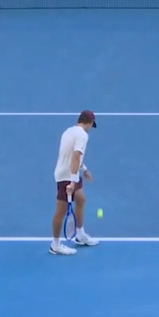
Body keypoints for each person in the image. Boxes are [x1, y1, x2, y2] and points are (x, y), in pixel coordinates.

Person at [50, 110, 100, 256]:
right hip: (67, 176)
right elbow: (75, 157)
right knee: (61, 212)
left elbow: (70, 155)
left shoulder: (68, 132)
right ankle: (55, 244)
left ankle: (80, 234)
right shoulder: (83, 135)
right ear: (90, 123)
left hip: (69, 173)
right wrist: (72, 181)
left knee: (81, 200)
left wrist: (84, 169)